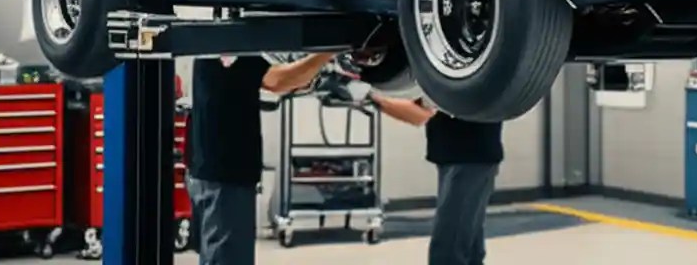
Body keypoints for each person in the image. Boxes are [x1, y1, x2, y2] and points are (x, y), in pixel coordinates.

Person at [187, 53, 336, 265]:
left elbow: (282, 81)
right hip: (225, 177)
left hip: (216, 174)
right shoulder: (230, 46)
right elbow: (278, 80)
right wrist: (327, 53)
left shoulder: (218, 45)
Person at [368, 93, 503, 265]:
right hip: (466, 158)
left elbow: (419, 115)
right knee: (466, 247)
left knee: (448, 251)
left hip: (468, 158)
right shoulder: (450, 85)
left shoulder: (455, 85)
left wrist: (372, 96)